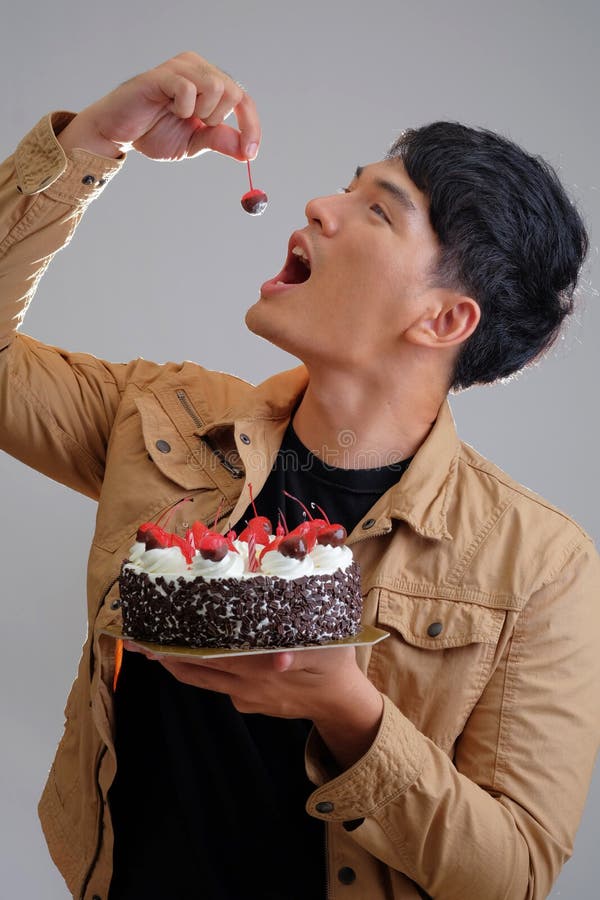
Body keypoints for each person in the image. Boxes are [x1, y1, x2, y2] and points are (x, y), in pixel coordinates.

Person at [1, 50, 599, 900]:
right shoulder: (157, 418)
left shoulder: (542, 565)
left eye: (377, 212)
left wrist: (348, 710)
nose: (319, 205)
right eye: (347, 188)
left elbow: (512, 874)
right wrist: (98, 140)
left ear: (444, 318)